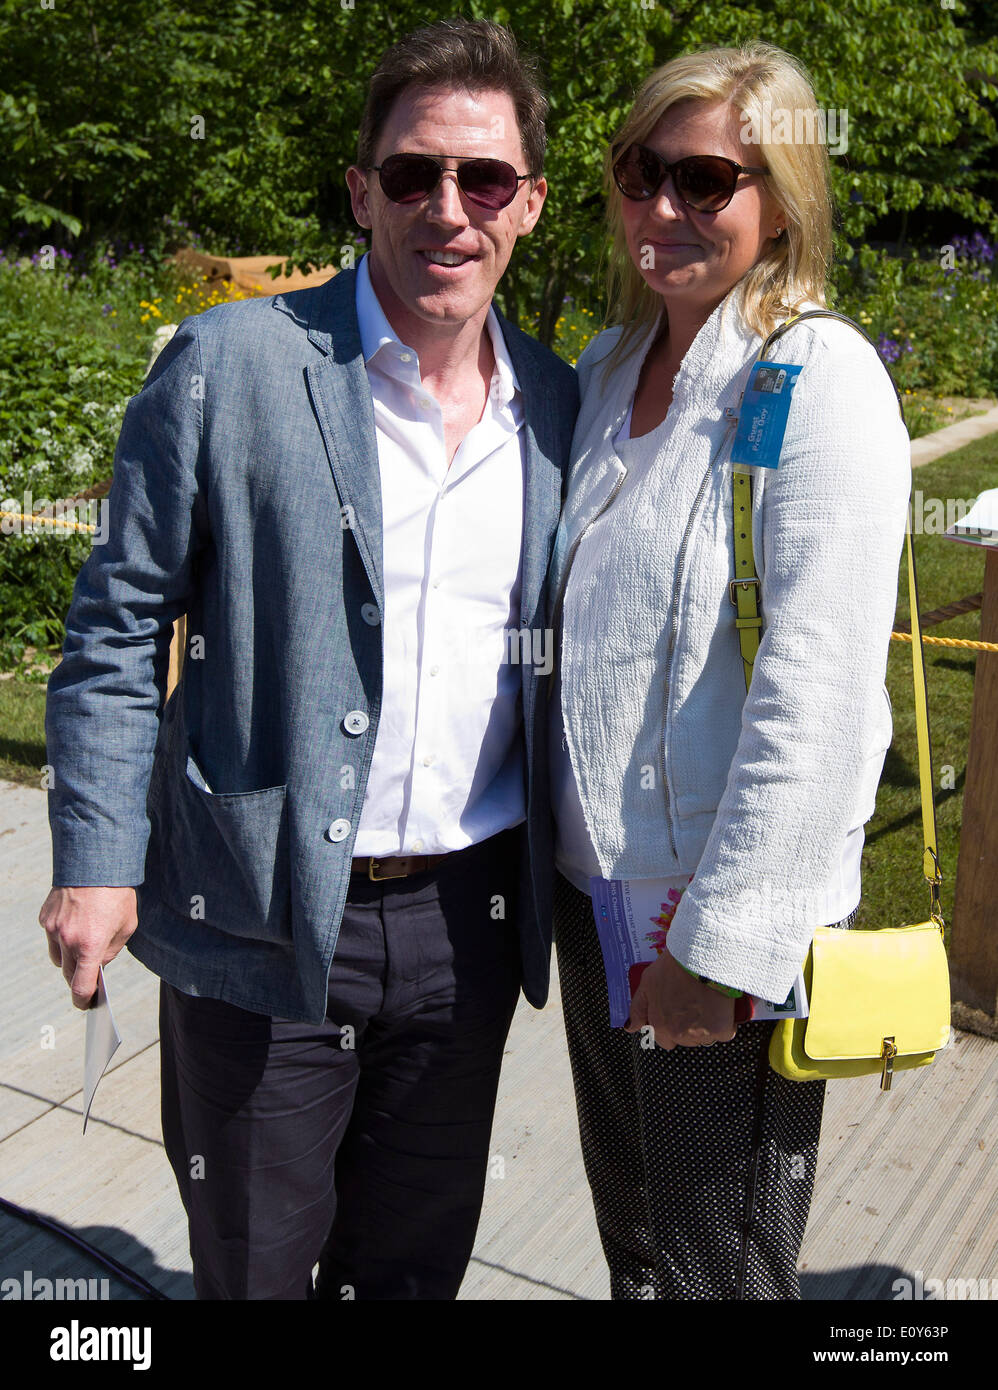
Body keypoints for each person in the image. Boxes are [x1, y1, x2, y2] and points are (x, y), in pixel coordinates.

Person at [40, 17, 578, 1301]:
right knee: (256, 1268)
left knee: (409, 1269)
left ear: (530, 203)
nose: (448, 209)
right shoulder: (230, 363)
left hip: (470, 920)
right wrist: (99, 859)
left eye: (483, 178)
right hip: (264, 905)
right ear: (360, 190)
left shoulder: (557, 406)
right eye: (411, 175)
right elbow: (115, 625)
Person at [549, 41, 910, 1299]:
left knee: (719, 1276)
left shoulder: (817, 380)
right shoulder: (606, 372)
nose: (663, 209)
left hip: (707, 925)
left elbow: (814, 696)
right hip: (591, 911)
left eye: (705, 181)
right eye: (640, 172)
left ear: (781, 198)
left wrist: (722, 948)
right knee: (637, 1253)